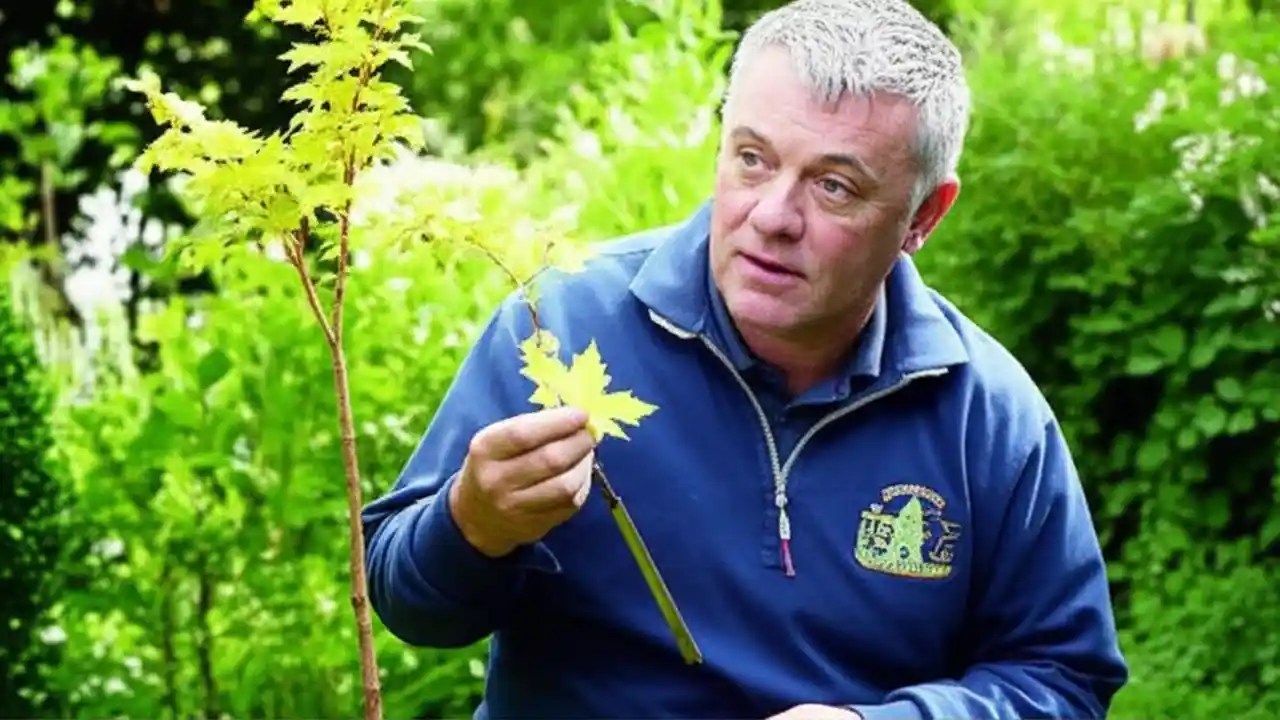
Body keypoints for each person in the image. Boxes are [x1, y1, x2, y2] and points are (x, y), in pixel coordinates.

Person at [360, 0, 1130, 717]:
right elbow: (406, 602)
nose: (771, 217)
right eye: (754, 159)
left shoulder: (985, 413)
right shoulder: (561, 325)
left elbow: (1063, 674)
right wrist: (471, 524)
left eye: (833, 186)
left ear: (923, 215)